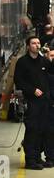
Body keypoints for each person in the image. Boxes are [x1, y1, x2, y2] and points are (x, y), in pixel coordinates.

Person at [15, 33, 54, 169]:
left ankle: (38, 157)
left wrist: (50, 57)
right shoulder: (22, 62)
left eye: (38, 43)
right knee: (32, 130)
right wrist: (32, 90)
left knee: (42, 130)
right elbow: (18, 81)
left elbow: (52, 71)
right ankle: (30, 160)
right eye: (33, 43)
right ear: (28, 46)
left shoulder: (43, 61)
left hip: (44, 102)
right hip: (31, 102)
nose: (37, 45)